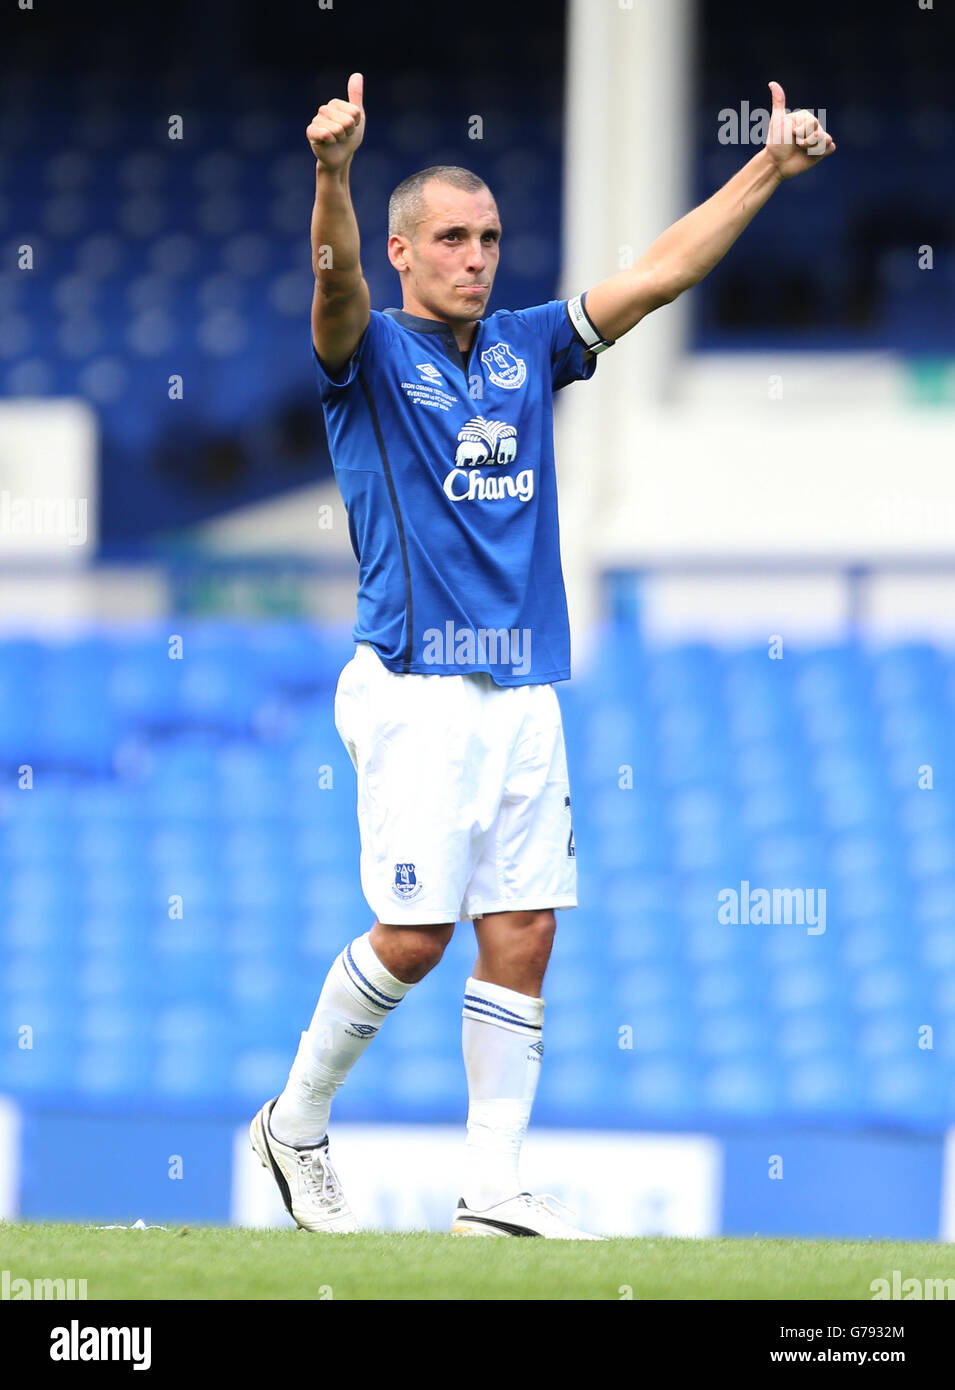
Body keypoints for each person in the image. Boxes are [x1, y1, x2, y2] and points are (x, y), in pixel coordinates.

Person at [251, 73, 835, 1238]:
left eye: (491, 238)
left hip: (521, 684)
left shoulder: (527, 347)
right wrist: (333, 176)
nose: (477, 258)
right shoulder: (363, 355)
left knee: (523, 926)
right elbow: (333, 284)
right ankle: (295, 1123)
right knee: (416, 937)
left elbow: (661, 272)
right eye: (453, 240)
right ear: (405, 254)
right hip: (415, 684)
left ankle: (493, 1191)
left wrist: (767, 166)